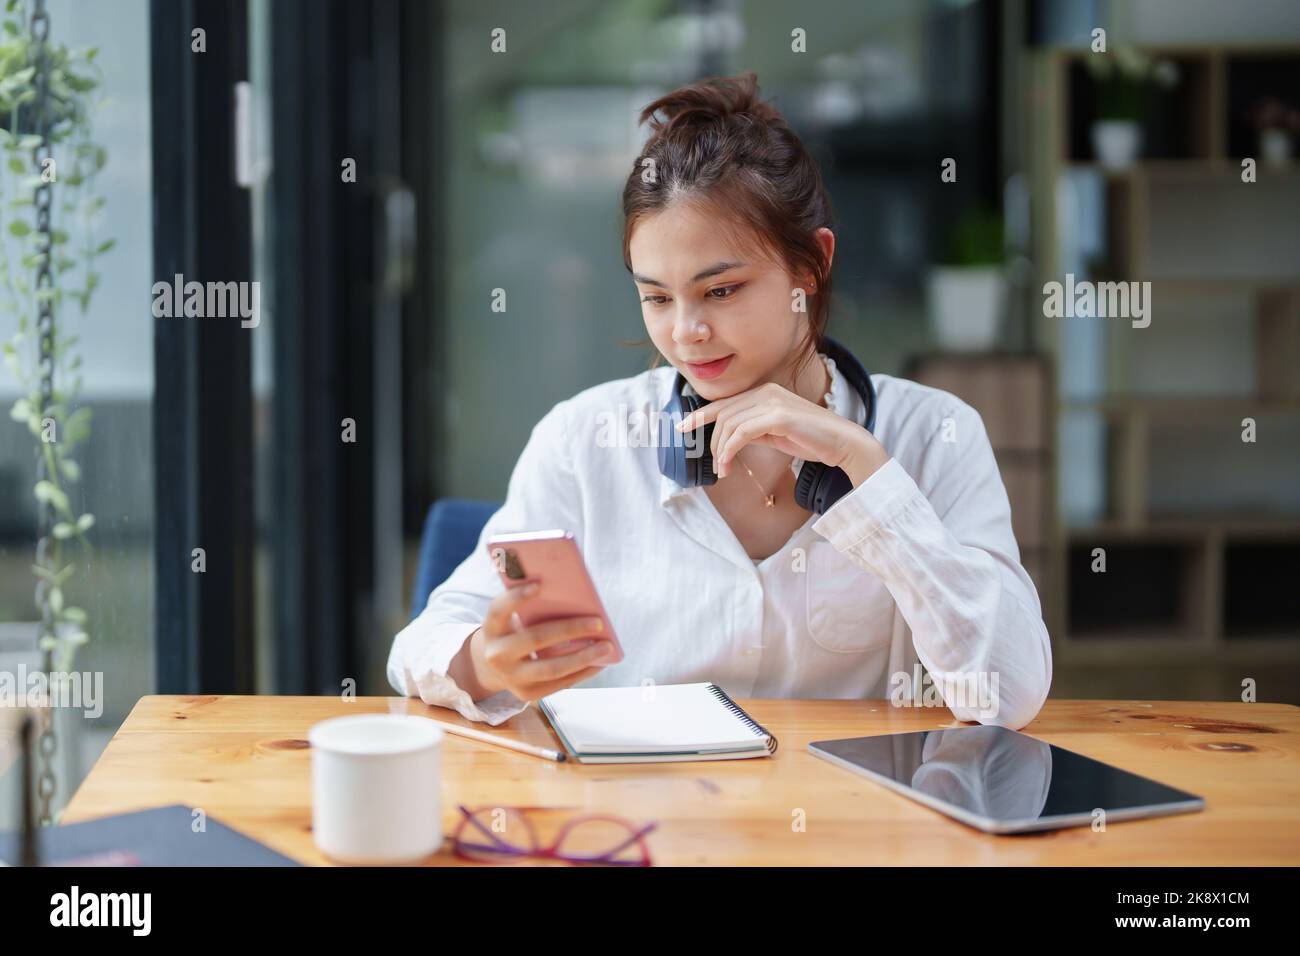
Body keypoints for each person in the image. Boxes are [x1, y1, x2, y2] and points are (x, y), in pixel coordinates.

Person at [388, 72, 1051, 730]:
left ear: (811, 267)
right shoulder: (584, 439)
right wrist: (484, 662)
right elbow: (420, 646)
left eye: (722, 290)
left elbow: (1011, 692)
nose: (685, 332)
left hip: (844, 823)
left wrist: (867, 473)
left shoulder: (935, 435)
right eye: (656, 297)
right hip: (645, 822)